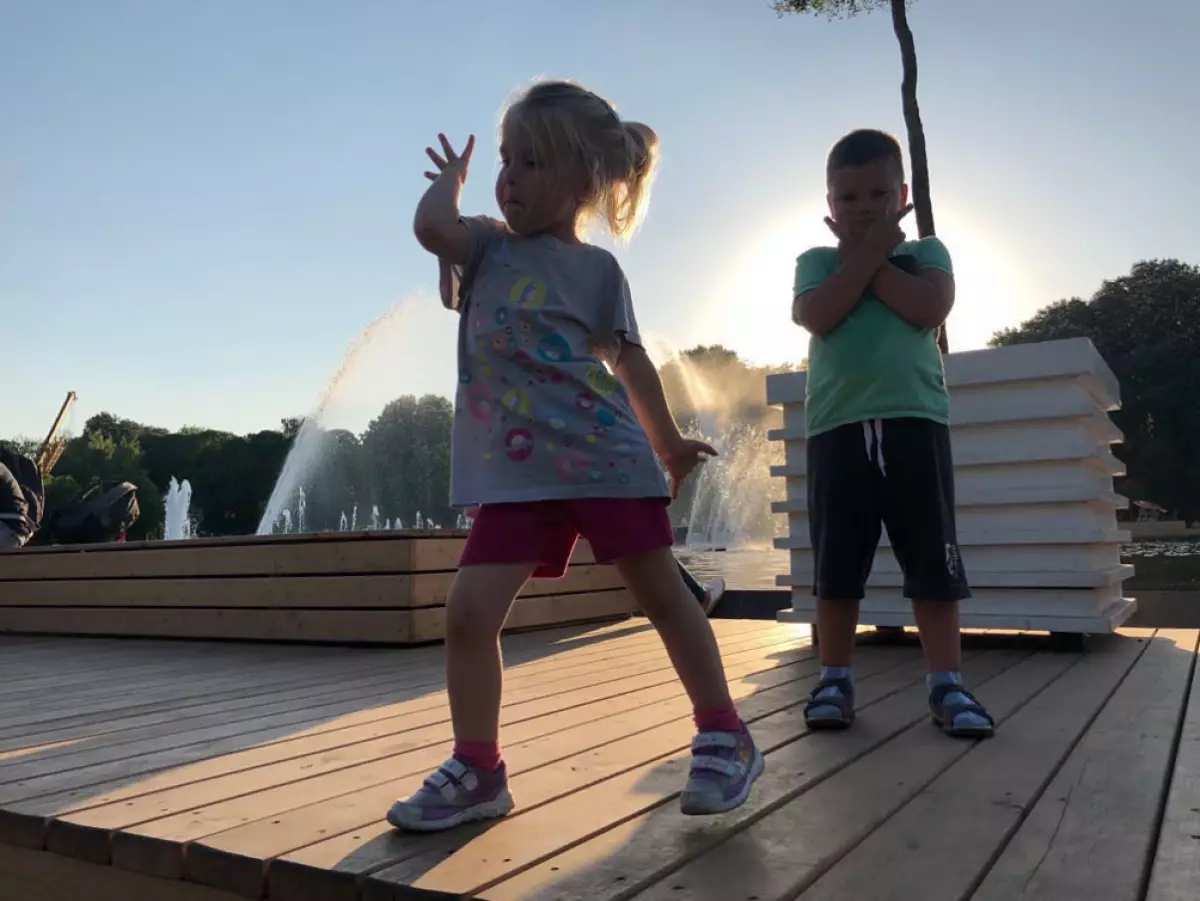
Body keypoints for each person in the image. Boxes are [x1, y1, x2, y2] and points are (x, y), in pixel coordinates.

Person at [387, 80, 763, 832]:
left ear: (585, 182)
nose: (510, 176)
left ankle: (725, 731)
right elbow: (432, 230)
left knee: (663, 595)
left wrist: (666, 443)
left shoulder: (598, 274)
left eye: (531, 162)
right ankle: (479, 767)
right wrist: (447, 185)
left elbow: (632, 365)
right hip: (517, 477)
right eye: (505, 159)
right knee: (467, 615)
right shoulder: (487, 245)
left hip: (604, 457)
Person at [791, 129, 994, 739]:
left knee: (932, 560)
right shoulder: (816, 262)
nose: (863, 206)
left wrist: (874, 255)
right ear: (830, 205)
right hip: (836, 429)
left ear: (902, 195)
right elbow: (817, 314)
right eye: (848, 197)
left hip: (915, 423)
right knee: (836, 565)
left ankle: (946, 683)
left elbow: (927, 309)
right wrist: (870, 253)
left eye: (878, 192)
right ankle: (834, 677)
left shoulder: (929, 254)